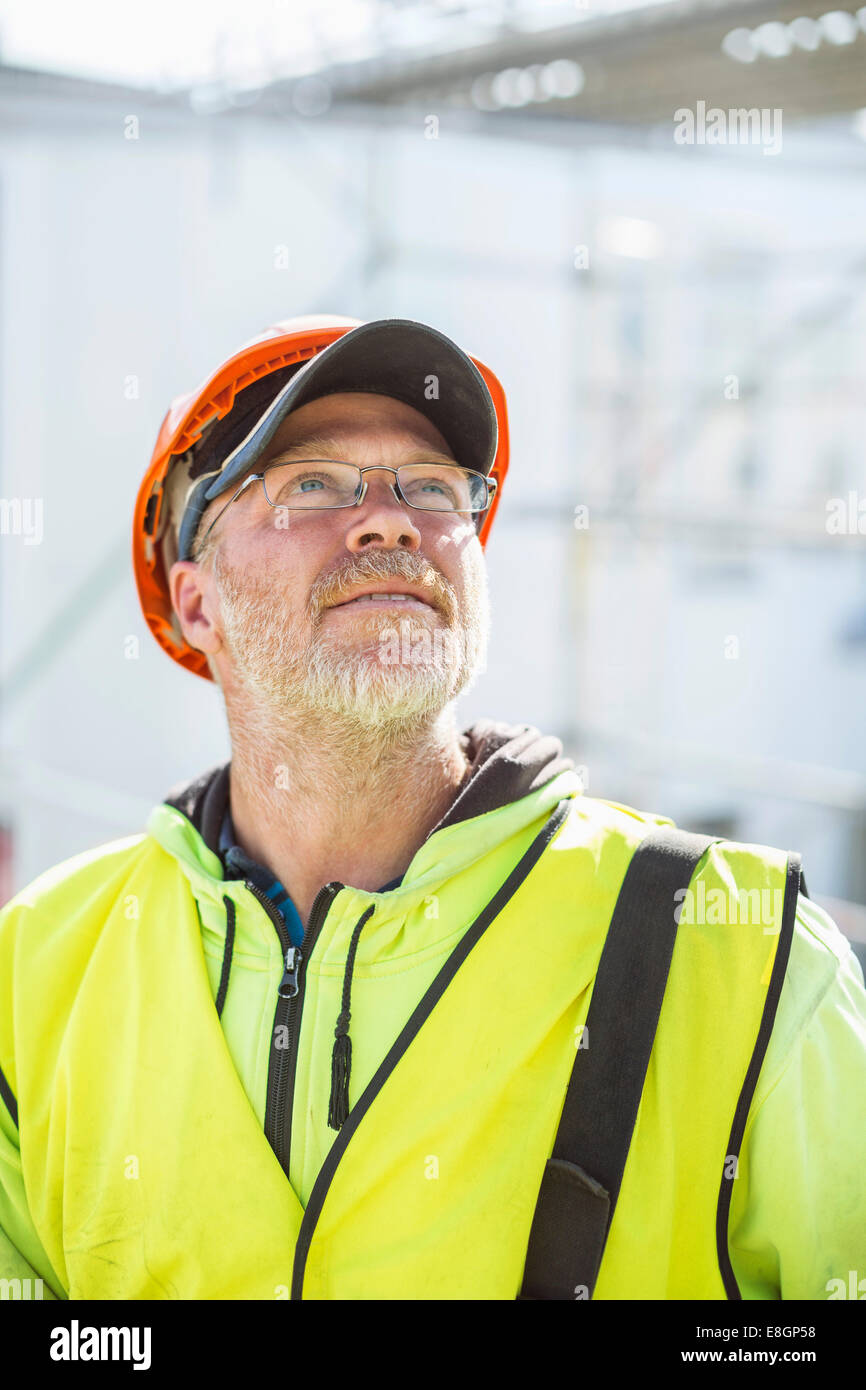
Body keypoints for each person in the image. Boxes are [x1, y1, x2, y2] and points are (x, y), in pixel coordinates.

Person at [0, 315, 864, 1302]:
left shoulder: (741, 952)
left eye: (430, 485)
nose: (390, 520)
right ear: (198, 605)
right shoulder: (36, 973)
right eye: (312, 484)